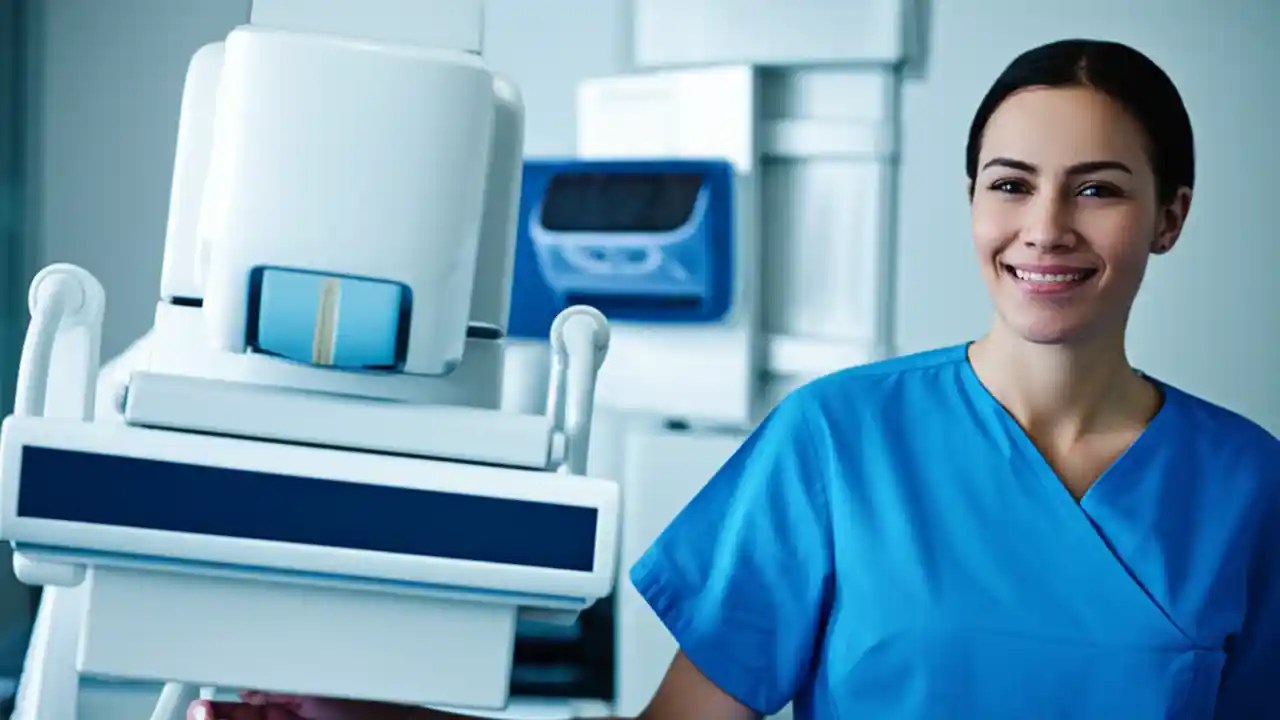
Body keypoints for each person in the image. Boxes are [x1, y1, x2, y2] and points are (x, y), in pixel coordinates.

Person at [189, 38, 1279, 720]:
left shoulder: (1247, 487)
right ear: (971, 203)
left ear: (1168, 215)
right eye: (1009, 184)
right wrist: (362, 718)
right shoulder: (837, 442)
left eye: (1097, 189)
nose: (1044, 227)